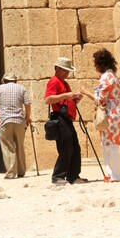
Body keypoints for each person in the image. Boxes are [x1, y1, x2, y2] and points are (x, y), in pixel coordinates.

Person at [44, 56, 88, 185]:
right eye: (65, 70)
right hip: (59, 118)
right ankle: (57, 176)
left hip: (67, 119)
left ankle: (73, 176)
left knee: (75, 147)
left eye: (68, 71)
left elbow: (66, 101)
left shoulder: (65, 83)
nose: (67, 73)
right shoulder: (54, 81)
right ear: (57, 68)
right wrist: (67, 95)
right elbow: (48, 99)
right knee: (65, 148)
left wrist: (76, 99)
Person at [91, 49, 120, 183]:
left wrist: (88, 94)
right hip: (117, 111)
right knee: (109, 144)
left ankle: (117, 175)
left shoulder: (106, 78)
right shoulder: (113, 76)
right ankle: (113, 175)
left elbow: (101, 99)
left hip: (111, 113)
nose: (95, 66)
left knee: (110, 145)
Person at [0, 72, 31, 178]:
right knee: (20, 145)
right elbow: (27, 104)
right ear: (15, 81)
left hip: (5, 120)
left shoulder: (0, 88)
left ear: (4, 81)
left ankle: (11, 172)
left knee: (8, 146)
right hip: (19, 121)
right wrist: (27, 117)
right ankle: (21, 171)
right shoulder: (21, 88)